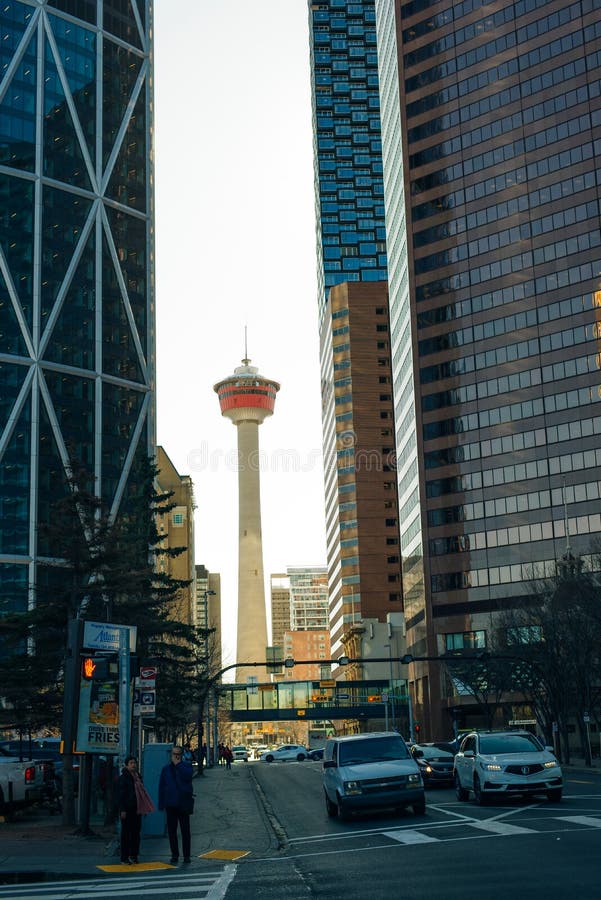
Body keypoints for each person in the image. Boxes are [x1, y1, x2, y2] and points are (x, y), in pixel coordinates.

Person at [158, 745, 194, 865]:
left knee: (185, 831)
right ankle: (175, 854)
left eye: (178, 754)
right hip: (171, 804)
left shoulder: (186, 766)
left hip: (183, 803)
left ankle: (187, 855)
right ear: (171, 755)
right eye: (174, 754)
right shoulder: (166, 769)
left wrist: (178, 765)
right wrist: (161, 803)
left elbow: (188, 777)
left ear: (181, 755)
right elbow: (162, 786)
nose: (176, 756)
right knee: (172, 831)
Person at [118, 755, 155, 864]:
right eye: (131, 763)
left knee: (135, 833)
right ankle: (124, 857)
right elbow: (121, 795)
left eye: (134, 763)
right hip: (127, 809)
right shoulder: (123, 778)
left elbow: (142, 793)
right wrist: (122, 809)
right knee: (126, 834)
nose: (133, 765)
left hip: (137, 808)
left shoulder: (138, 777)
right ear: (126, 765)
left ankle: (134, 855)